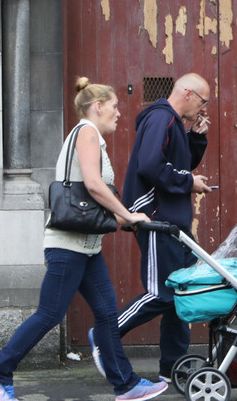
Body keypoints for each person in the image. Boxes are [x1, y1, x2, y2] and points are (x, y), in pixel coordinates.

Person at [0, 79, 168, 401]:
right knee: (49, 314)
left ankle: (126, 385)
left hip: (87, 246)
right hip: (68, 246)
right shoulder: (87, 132)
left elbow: (91, 196)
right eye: (115, 106)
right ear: (98, 106)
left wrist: (129, 219)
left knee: (107, 314)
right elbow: (93, 185)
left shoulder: (90, 136)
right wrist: (129, 214)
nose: (120, 113)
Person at [94, 73, 212, 383]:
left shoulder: (174, 124)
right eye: (203, 102)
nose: (204, 109)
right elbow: (150, 165)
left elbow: (181, 164)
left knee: (182, 294)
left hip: (174, 224)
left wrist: (196, 137)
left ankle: (172, 369)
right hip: (158, 221)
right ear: (187, 94)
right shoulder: (162, 118)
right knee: (163, 293)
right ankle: (105, 334)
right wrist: (189, 183)